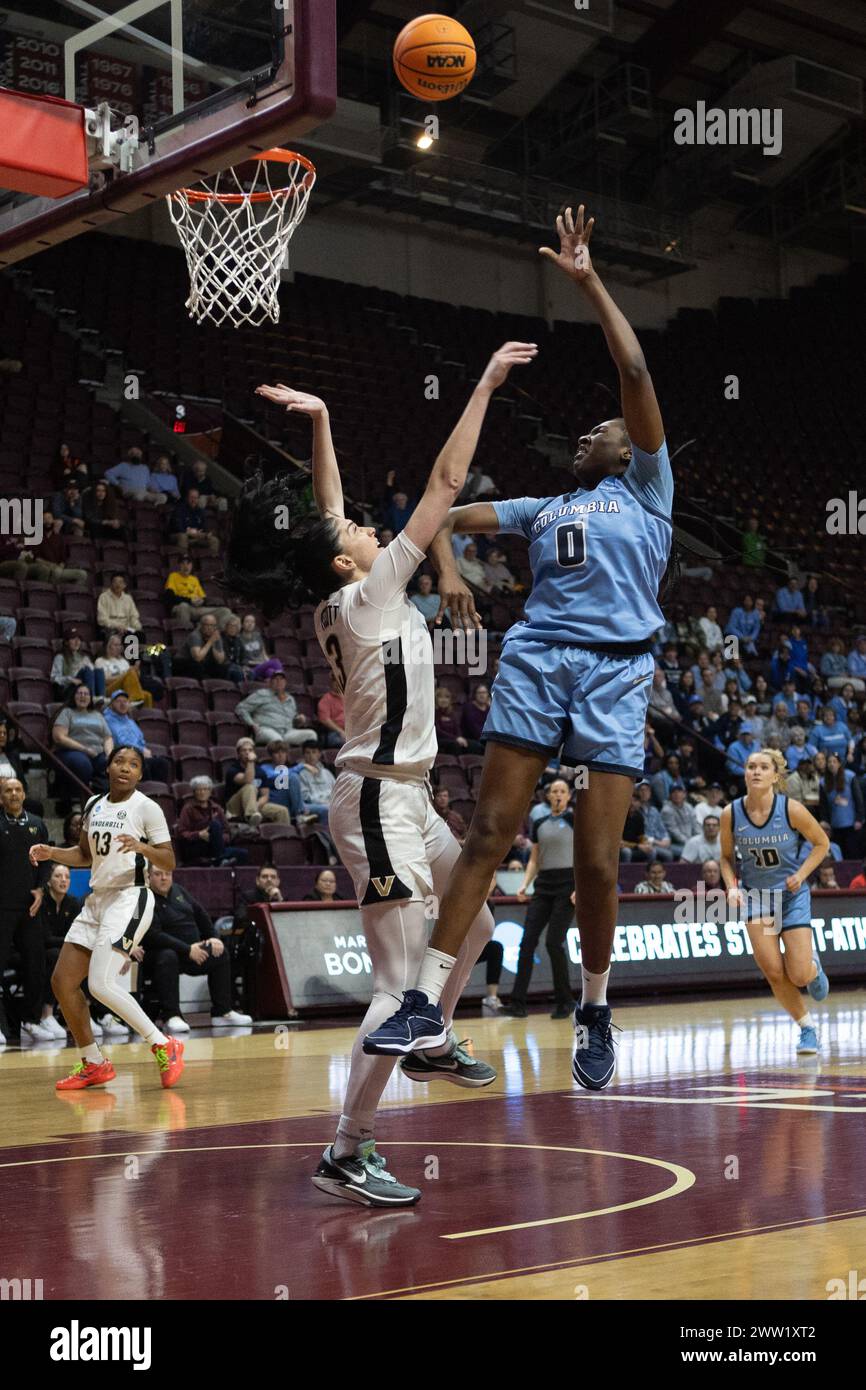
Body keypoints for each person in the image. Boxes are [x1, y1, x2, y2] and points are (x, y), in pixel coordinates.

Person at [365, 207, 674, 1092]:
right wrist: (451, 564)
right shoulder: (545, 508)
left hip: (617, 670)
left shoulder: (650, 491)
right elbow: (446, 514)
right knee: (491, 833)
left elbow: (636, 367)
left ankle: (597, 1008)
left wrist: (587, 282)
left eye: (601, 433)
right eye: (585, 435)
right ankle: (428, 1002)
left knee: (600, 860)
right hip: (540, 658)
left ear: (631, 452)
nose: (588, 436)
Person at [224, 343, 535, 1205]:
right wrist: (482, 383)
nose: (369, 524)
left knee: (473, 930)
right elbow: (444, 484)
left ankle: (430, 1041)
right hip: (374, 801)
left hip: (408, 799)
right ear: (349, 562)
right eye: (360, 531)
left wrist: (322, 416)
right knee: (396, 988)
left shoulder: (345, 593)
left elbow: (328, 509)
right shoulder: (371, 595)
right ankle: (346, 1149)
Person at [29, 746, 185, 1090]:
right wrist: (52, 852)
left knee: (100, 984)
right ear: (109, 767)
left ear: (140, 774)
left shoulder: (147, 808)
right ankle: (94, 1063)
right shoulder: (93, 804)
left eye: (133, 764)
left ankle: (163, 1043)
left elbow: (170, 861)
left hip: (130, 896)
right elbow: (85, 854)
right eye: (119, 762)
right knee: (62, 981)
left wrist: (143, 847)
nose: (125, 769)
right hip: (97, 900)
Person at [719, 747, 830, 1056]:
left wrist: (803, 873)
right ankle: (807, 1028)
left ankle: (813, 968)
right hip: (756, 898)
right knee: (773, 970)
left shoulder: (791, 809)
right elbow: (726, 859)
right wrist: (731, 887)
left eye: (763, 767)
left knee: (798, 974)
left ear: (775, 776)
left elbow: (822, 843)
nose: (755, 771)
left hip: (792, 896)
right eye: (751, 766)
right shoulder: (731, 813)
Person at [144, 866, 251, 1031]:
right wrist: (187, 949)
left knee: (220, 953)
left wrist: (214, 938)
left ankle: (222, 1012)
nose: (164, 878)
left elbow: (201, 915)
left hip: (193, 952)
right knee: (167, 956)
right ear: (148, 877)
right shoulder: (145, 898)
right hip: (162, 954)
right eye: (158, 874)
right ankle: (172, 1015)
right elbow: (154, 935)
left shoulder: (179, 890)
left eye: (167, 874)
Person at [504, 779, 575, 1019]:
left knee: (553, 943)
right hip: (543, 885)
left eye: (562, 791)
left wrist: (580, 887)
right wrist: (524, 884)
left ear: (568, 796)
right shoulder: (540, 822)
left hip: (568, 885)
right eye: (554, 791)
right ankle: (517, 1003)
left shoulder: (575, 820)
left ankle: (565, 1001)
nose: (558, 795)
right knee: (527, 943)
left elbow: (584, 856)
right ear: (548, 795)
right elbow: (535, 858)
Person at [0, 778, 52, 1044]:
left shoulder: (37, 824)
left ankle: (32, 1020)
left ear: (24, 794)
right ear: (0, 797)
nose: (13, 794)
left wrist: (41, 889)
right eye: (7, 790)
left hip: (30, 908)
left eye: (17, 789)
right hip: (2, 908)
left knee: (36, 965)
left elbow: (46, 862)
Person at [52, 684, 113, 799]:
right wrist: (85, 749)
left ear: (90, 698)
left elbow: (107, 737)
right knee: (82, 764)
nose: (83, 696)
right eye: (79, 693)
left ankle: (102, 800)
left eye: (86, 694)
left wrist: (109, 754)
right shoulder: (67, 712)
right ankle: (76, 802)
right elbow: (59, 737)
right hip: (71, 751)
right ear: (73, 696)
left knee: (110, 764)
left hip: (97, 752)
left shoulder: (97, 715)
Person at [175, 775, 249, 866]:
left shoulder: (216, 808)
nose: (202, 792)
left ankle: (218, 860)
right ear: (194, 792)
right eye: (199, 790)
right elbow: (182, 833)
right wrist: (198, 834)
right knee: (215, 824)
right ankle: (220, 860)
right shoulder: (188, 809)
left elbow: (227, 832)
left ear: (210, 792)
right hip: (197, 846)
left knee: (243, 854)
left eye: (205, 789)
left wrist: (217, 838)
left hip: (216, 846)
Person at [235, 666, 317, 747]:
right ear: (270, 682)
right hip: (266, 729)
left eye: (281, 679)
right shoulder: (262, 694)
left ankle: (306, 760)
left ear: (285, 683)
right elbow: (241, 708)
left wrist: (299, 720)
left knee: (311, 735)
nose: (279, 681)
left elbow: (293, 722)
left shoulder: (290, 699)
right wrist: (251, 723)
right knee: (278, 740)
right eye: (276, 679)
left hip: (287, 732)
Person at [102, 689, 171, 785]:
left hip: (139, 753)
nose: (123, 704)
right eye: (119, 701)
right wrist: (141, 750)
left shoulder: (130, 721)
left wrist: (144, 749)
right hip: (123, 754)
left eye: (125, 701)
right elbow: (119, 741)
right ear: (112, 704)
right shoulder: (108, 719)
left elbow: (140, 738)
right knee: (143, 766)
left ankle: (159, 792)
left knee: (162, 763)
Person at [224, 736, 290, 827]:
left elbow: (265, 795)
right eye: (244, 750)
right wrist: (250, 762)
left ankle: (283, 838)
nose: (247, 752)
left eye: (250, 750)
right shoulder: (233, 769)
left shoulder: (260, 771)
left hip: (254, 805)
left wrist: (257, 804)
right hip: (234, 807)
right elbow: (248, 780)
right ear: (238, 754)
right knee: (250, 787)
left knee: (282, 811)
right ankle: (251, 816)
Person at [163, 554, 234, 629]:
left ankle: (215, 636)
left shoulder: (194, 579)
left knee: (225, 611)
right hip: (181, 606)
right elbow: (169, 597)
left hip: (197, 608)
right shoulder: (173, 576)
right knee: (184, 606)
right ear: (179, 565)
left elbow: (203, 598)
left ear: (192, 566)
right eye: (183, 563)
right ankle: (185, 635)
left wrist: (201, 601)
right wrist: (189, 600)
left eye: (188, 563)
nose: (186, 566)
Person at [822, 752, 864, 859]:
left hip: (851, 824)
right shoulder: (823, 782)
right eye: (829, 762)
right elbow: (824, 806)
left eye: (834, 762)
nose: (832, 764)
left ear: (839, 764)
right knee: (839, 855)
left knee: (853, 853)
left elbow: (858, 799)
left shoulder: (850, 776)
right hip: (835, 825)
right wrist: (826, 823)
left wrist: (859, 819)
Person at [50, 630, 106, 702]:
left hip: (82, 686)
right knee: (86, 669)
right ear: (66, 642)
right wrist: (70, 679)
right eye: (73, 639)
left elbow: (92, 673)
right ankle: (91, 698)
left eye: (79, 639)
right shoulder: (60, 657)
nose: (77, 642)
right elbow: (54, 678)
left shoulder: (84, 657)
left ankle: (102, 698)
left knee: (99, 670)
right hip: (69, 689)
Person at [169, 486, 219, 554]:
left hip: (196, 537)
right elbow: (178, 527)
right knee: (183, 536)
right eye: (191, 497)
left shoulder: (200, 511)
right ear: (187, 498)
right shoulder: (180, 509)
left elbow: (204, 528)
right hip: (178, 535)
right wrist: (191, 532)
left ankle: (211, 563)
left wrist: (206, 534)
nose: (193, 500)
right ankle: (184, 563)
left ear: (198, 499)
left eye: (196, 498)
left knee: (214, 540)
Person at [297, 741, 335, 828]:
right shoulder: (300, 773)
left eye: (314, 752)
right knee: (327, 810)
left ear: (319, 754)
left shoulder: (327, 773)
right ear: (303, 755)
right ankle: (326, 837)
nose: (311, 756)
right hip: (310, 805)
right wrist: (324, 801)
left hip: (329, 803)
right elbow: (305, 797)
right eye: (307, 753)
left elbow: (336, 792)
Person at [97, 572, 142, 641]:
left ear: (124, 585)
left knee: (140, 635)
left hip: (127, 629)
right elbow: (102, 619)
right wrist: (117, 626)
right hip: (111, 629)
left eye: (120, 582)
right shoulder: (104, 597)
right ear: (111, 584)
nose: (118, 585)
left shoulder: (128, 598)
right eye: (115, 582)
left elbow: (134, 616)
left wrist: (137, 627)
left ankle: (132, 652)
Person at [317, 672, 346, 749]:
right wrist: (340, 731)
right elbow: (324, 719)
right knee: (348, 743)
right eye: (335, 681)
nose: (337, 683)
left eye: (339, 680)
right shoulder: (326, 699)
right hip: (334, 733)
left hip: (349, 731)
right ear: (331, 683)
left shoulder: (347, 697)